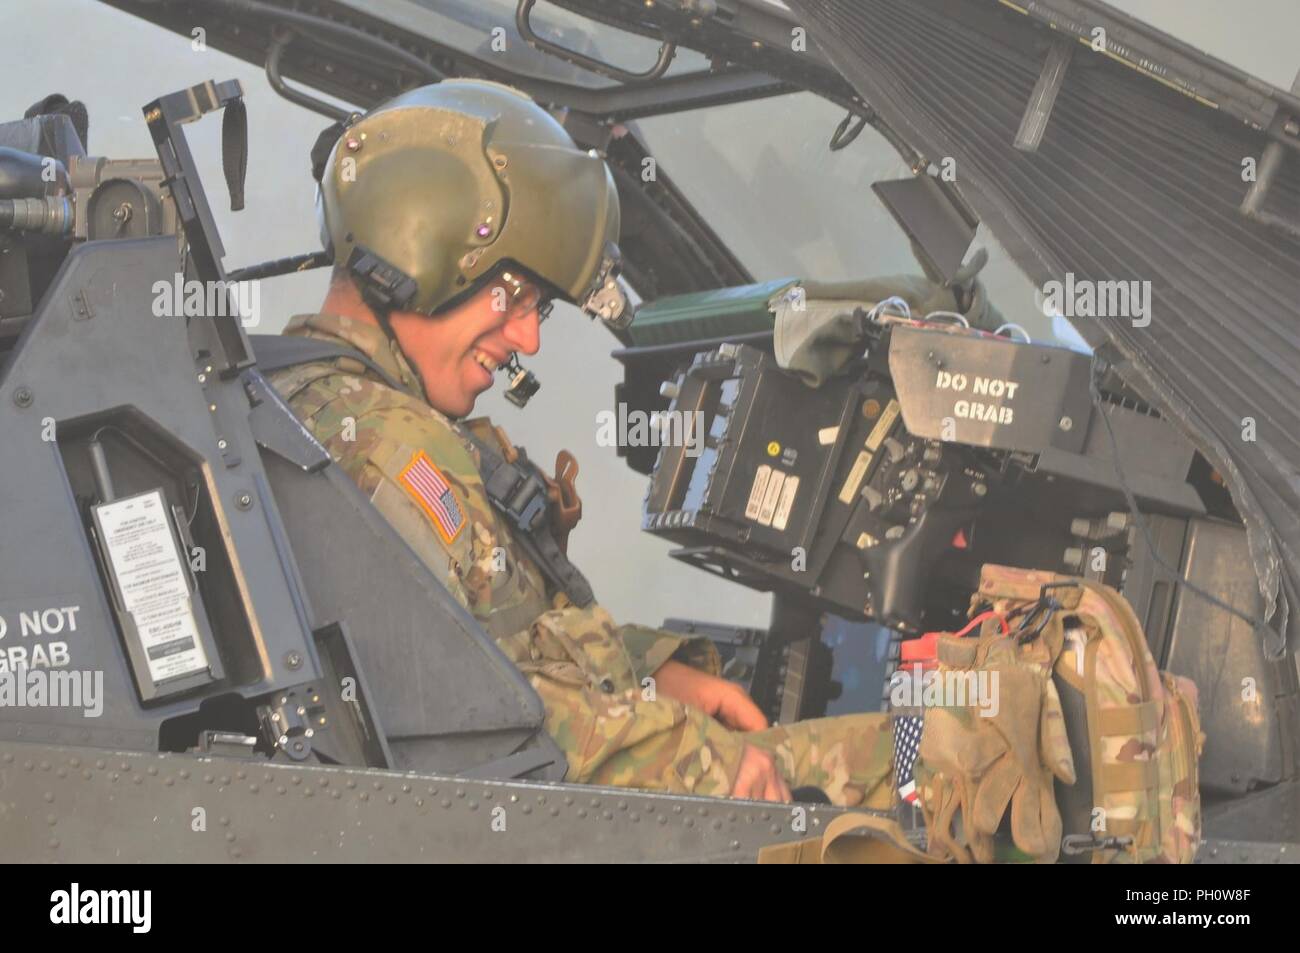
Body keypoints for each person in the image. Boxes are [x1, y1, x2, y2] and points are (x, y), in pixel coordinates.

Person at [267, 79, 893, 806]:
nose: (527, 336)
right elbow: (470, 718)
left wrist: (651, 674)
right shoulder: (380, 445)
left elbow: (509, 652)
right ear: (423, 249)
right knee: (931, 778)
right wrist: (696, 762)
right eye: (516, 297)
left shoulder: (320, 409)